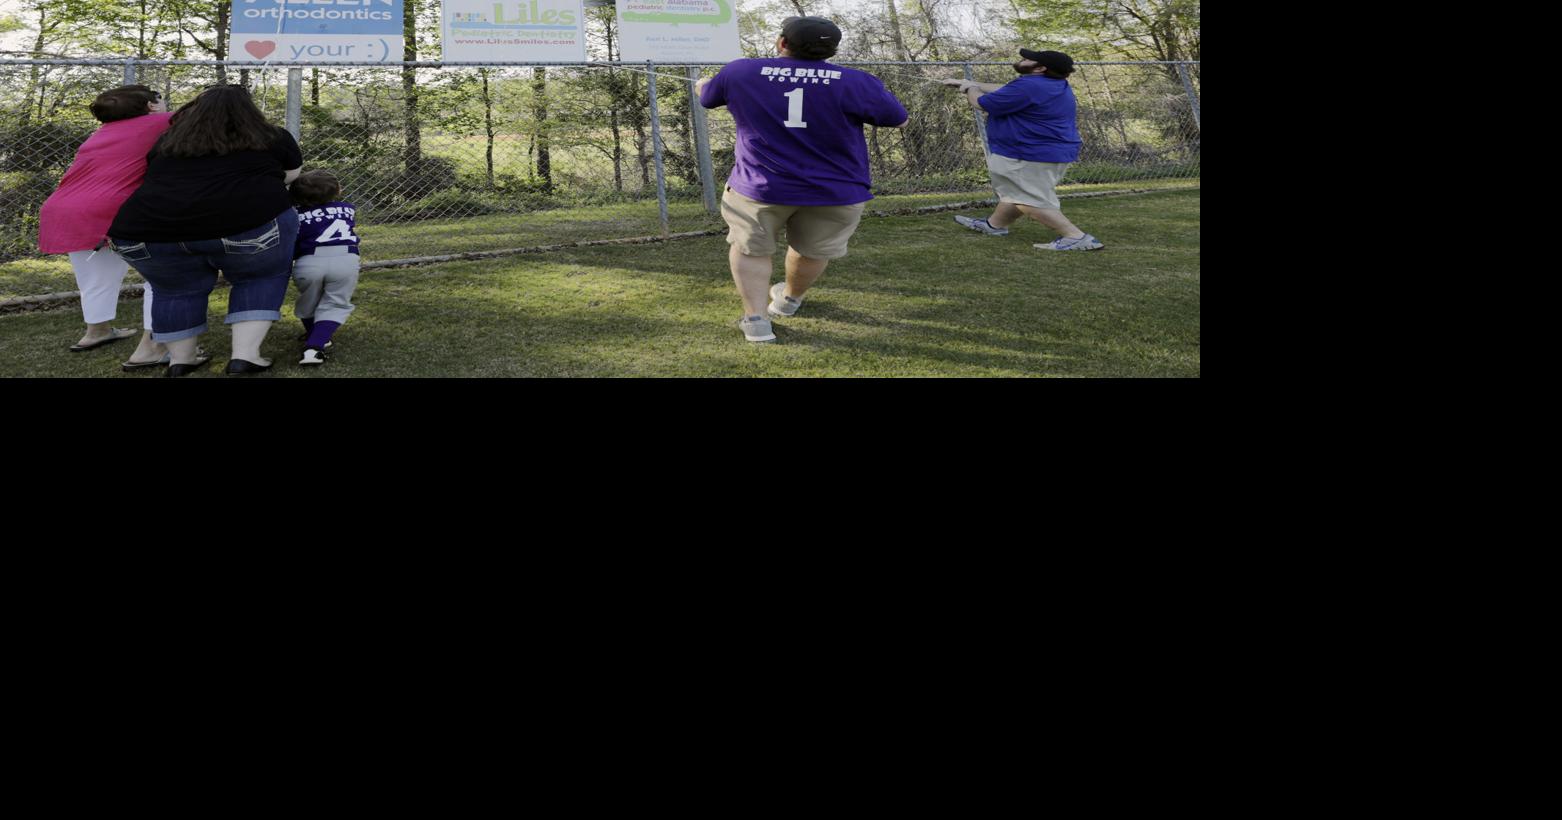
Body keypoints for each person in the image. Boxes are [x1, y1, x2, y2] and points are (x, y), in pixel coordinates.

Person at [697, 16, 908, 342]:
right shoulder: (855, 80)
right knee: (812, 251)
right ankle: (788, 301)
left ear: (782, 43)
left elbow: (707, 97)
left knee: (751, 249)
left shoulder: (740, 71)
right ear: (831, 50)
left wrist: (702, 84)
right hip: (836, 189)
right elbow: (897, 118)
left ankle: (756, 321)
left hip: (759, 187)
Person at [106, 85, 303, 376]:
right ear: (250, 110)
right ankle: (245, 357)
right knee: (259, 277)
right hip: (248, 226)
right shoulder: (272, 136)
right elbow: (290, 176)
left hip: (148, 231)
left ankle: (181, 361)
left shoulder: (170, 140)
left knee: (174, 291)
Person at [37, 85, 175, 367]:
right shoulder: (159, 122)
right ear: (151, 105)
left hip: (64, 208)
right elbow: (205, 112)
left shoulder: (101, 133)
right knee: (162, 276)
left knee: (95, 277)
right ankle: (156, 344)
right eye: (161, 98)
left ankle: (96, 331)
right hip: (112, 208)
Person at [943, 49, 1104, 251]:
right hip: (1050, 151)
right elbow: (1005, 89)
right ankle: (995, 225)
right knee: (1018, 192)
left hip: (1027, 152)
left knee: (1026, 197)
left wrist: (970, 89)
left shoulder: (1029, 85)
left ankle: (1075, 236)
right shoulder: (1051, 83)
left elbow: (981, 103)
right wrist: (967, 83)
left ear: (1041, 68)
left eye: (1028, 59)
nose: (1022, 60)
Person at [288, 170, 360, 366]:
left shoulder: (295, 215)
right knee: (336, 303)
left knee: (308, 302)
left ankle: (315, 336)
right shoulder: (348, 208)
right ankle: (315, 345)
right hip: (345, 259)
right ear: (336, 191)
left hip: (309, 260)